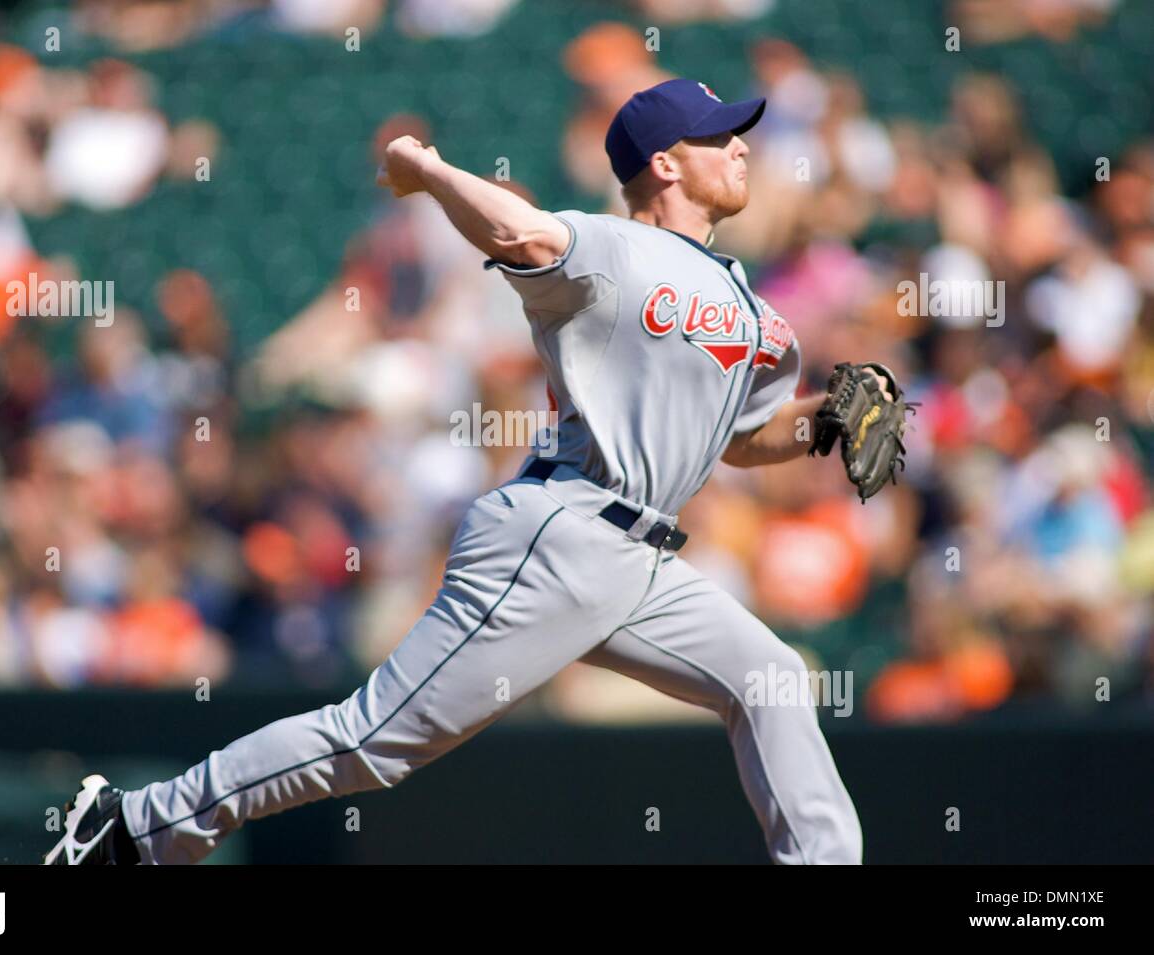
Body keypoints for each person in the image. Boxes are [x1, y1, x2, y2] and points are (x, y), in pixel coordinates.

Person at [45, 78, 871, 865]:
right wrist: (433, 170)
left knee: (769, 678)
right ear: (664, 161)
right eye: (719, 134)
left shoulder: (751, 307)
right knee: (376, 740)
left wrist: (829, 419)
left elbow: (748, 436)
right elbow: (523, 234)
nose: (741, 147)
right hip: (562, 534)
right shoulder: (614, 248)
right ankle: (138, 823)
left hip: (644, 563)